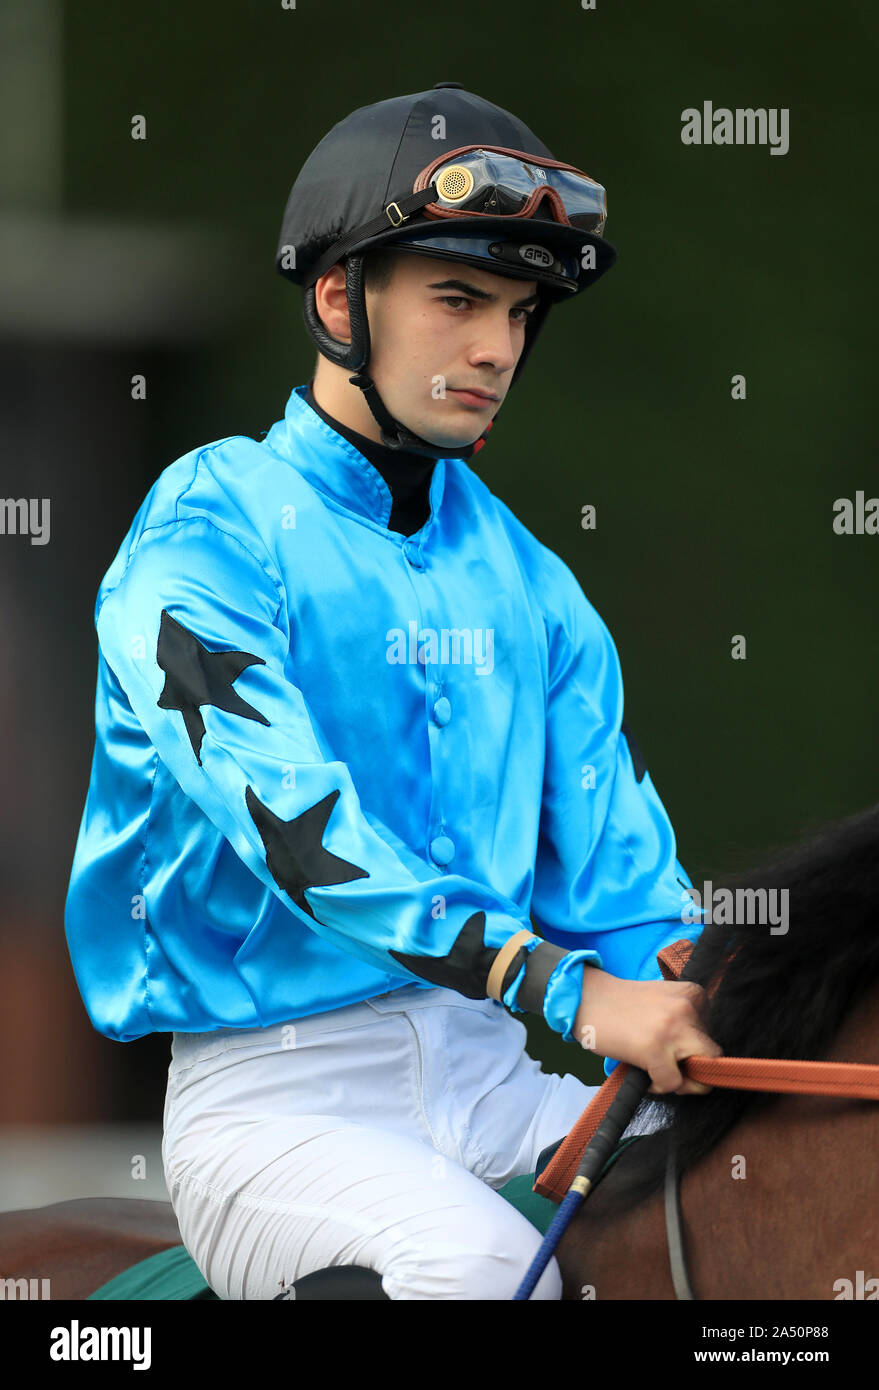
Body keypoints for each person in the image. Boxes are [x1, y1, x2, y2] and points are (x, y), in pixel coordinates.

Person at [64, 82, 721, 1300]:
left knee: (764, 1190)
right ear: (336, 299)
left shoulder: (533, 584)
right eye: (461, 300)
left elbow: (629, 894)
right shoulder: (207, 531)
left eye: (521, 314)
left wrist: (727, 995)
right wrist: (567, 990)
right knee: (472, 1259)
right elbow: (303, 837)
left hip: (490, 1081)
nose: (498, 349)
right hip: (273, 1109)